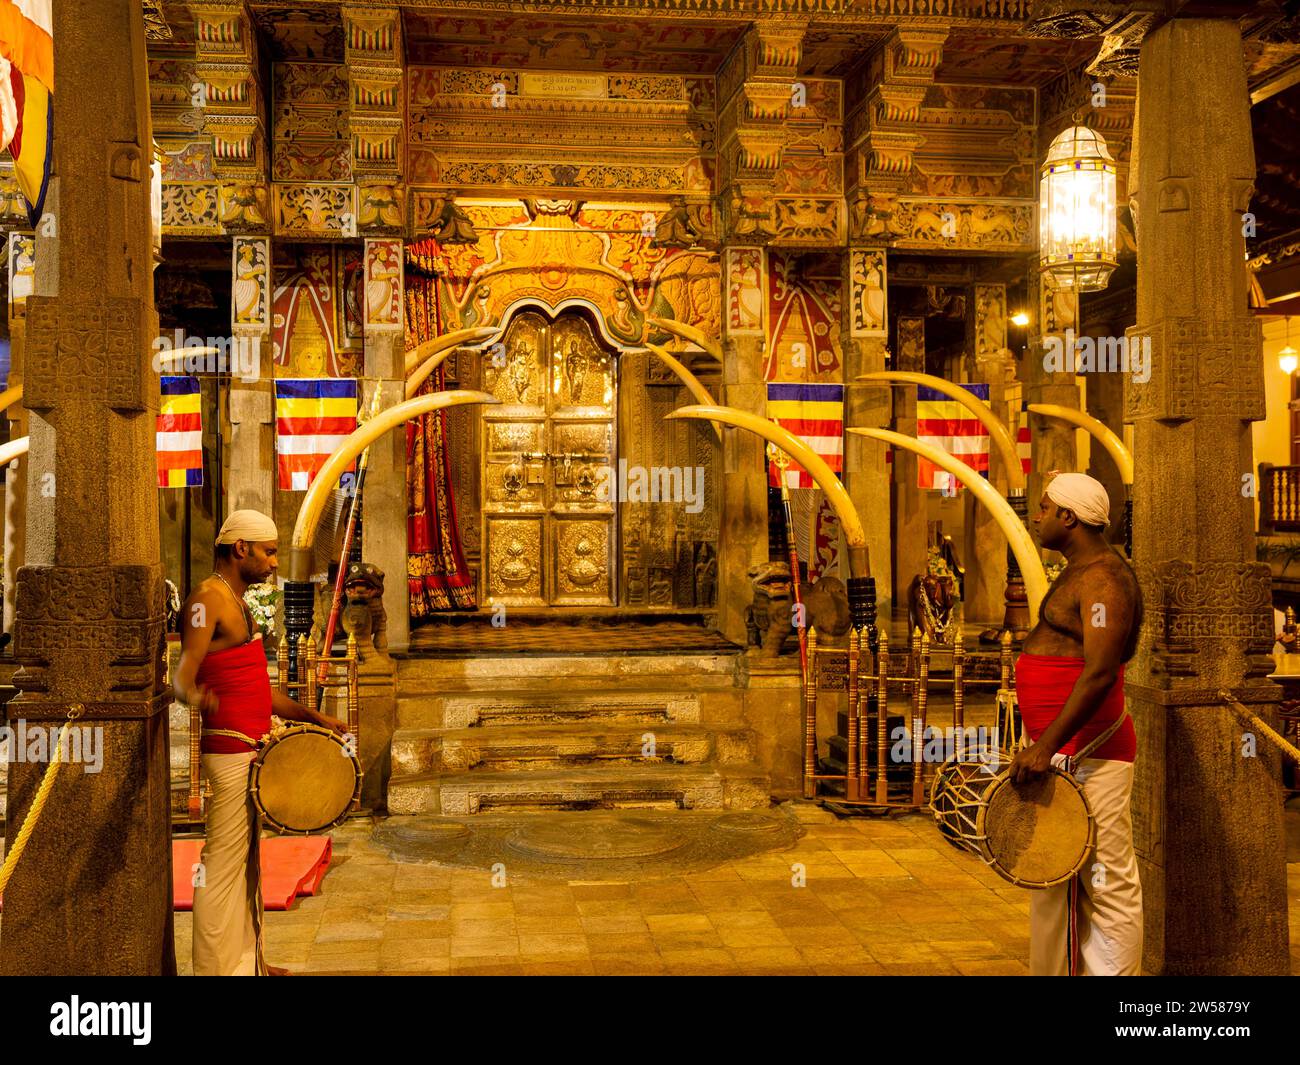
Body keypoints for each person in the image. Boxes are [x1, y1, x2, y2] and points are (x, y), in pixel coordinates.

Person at [173, 510, 345, 976]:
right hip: (229, 753)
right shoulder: (206, 600)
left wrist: (315, 717)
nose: (274, 563)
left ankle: (250, 965)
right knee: (222, 868)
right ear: (240, 549)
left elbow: (257, 691)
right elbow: (181, 677)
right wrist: (197, 695)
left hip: (254, 747)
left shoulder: (238, 601)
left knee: (248, 867)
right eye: (269, 552)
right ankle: (216, 971)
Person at [1008, 472, 1143, 976]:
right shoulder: (1080, 569)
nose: (1036, 516)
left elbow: (1101, 671)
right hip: (1060, 749)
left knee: (1107, 882)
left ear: (1068, 516)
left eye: (1043, 508)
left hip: (1089, 751)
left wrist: (1047, 746)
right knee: (1051, 871)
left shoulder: (1105, 577)